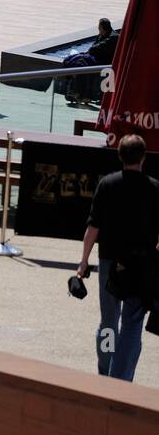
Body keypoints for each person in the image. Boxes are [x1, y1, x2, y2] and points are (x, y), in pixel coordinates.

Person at [77, 135, 159, 382]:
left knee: (109, 323)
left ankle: (105, 370)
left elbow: (93, 228)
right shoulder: (155, 188)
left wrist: (83, 261)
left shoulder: (108, 185)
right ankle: (121, 379)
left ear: (120, 156)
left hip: (109, 261)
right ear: (144, 158)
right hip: (142, 265)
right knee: (132, 325)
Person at [65, 18, 119, 106]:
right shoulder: (101, 35)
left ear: (102, 27)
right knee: (75, 61)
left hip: (104, 61)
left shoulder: (114, 37)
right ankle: (74, 91)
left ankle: (83, 94)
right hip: (96, 58)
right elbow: (95, 46)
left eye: (99, 26)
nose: (98, 28)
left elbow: (99, 47)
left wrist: (89, 51)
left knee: (82, 64)